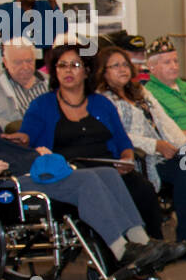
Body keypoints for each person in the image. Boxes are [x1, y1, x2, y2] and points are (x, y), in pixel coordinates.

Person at [0, 64, 184, 280]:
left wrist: (32, 151)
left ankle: (143, 244)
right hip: (1, 187)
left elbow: (5, 146)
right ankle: (122, 251)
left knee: (107, 174)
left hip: (28, 170)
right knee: (87, 180)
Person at [20, 43, 173, 254]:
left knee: (142, 188)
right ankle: (123, 251)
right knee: (98, 182)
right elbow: (26, 138)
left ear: (87, 70)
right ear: (54, 71)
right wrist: (17, 140)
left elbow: (123, 141)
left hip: (108, 165)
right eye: (61, 65)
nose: (68, 70)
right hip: (70, 170)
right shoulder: (42, 105)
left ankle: (149, 245)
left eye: (75, 64)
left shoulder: (101, 103)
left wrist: (127, 158)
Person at [97, 45, 186, 260]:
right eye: (115, 66)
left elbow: (165, 122)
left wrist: (184, 143)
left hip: (170, 149)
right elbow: (118, 135)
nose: (122, 69)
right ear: (103, 71)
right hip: (147, 156)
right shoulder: (103, 99)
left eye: (124, 64)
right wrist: (155, 145)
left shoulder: (140, 91)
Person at [0, 38, 49, 129]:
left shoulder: (49, 82)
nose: (25, 67)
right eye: (18, 62)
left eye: (29, 61)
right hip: (9, 141)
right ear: (5, 62)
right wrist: (9, 127)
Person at [0, 0, 64, 52]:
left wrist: (53, 2)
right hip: (18, 55)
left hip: (45, 55)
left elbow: (63, 28)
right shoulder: (6, 9)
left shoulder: (45, 6)